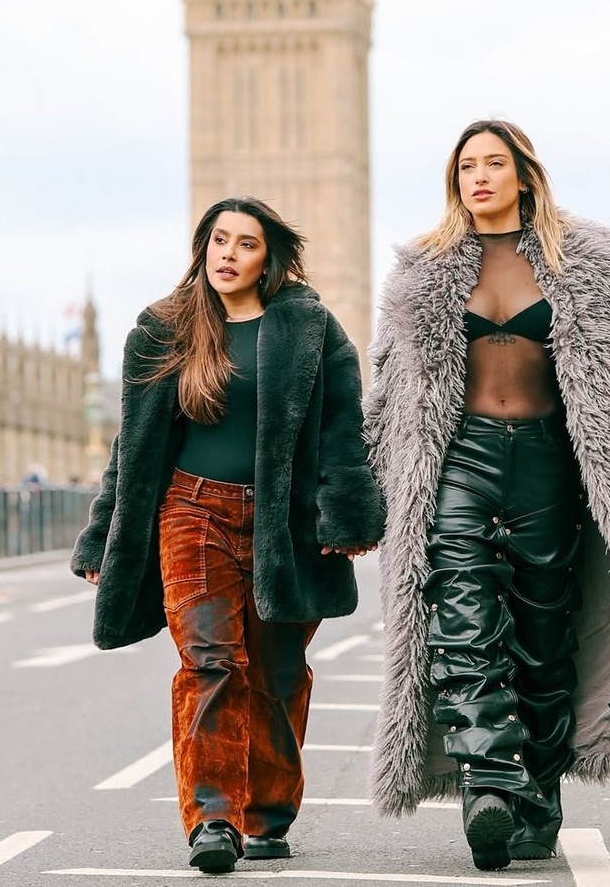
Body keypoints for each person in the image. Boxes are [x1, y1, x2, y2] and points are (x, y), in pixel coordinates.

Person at [365, 119, 610, 871]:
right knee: (465, 623)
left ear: (523, 175)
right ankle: (491, 786)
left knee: (544, 641)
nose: (478, 177)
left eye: (493, 164)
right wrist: (367, 490)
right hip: (460, 462)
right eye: (466, 166)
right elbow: (388, 387)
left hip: (551, 465)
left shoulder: (585, 261)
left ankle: (538, 793)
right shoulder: (421, 271)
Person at [71, 197, 384, 874]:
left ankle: (267, 815)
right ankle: (213, 817)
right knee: (210, 660)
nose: (228, 254)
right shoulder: (165, 329)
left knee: (276, 672)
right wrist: (103, 535)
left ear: (269, 256)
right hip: (190, 512)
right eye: (219, 240)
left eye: (245, 244)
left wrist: (347, 513)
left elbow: (341, 428)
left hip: (285, 523)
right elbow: (135, 444)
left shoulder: (311, 329)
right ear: (202, 247)